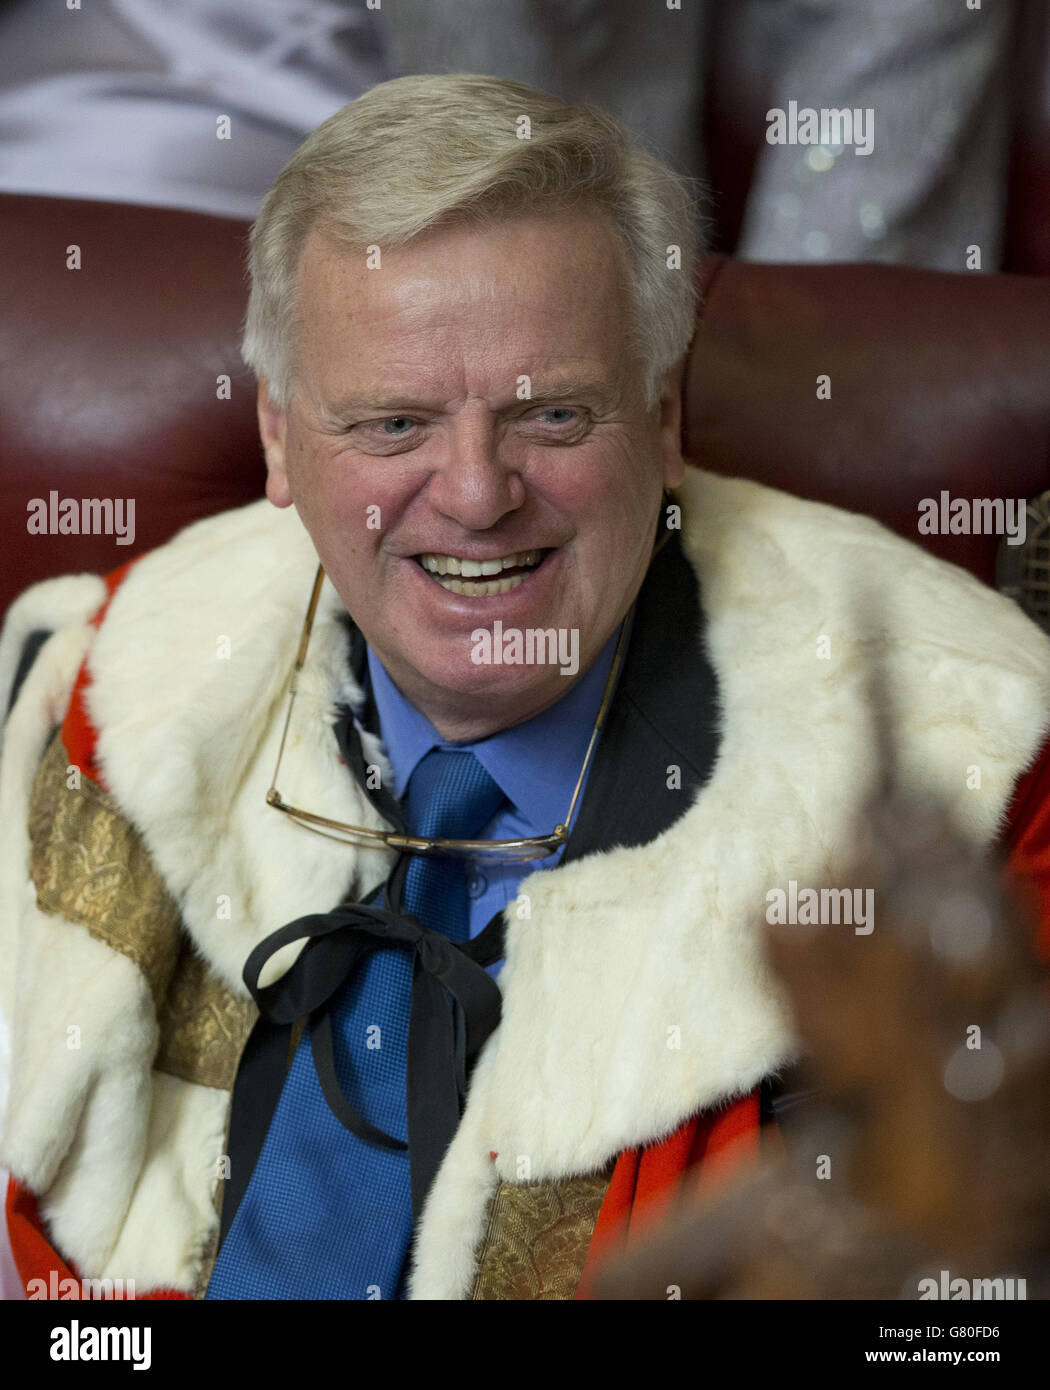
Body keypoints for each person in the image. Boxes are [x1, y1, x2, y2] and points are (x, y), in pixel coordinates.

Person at [1, 72, 1048, 1302]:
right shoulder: (107, 679)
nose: (476, 493)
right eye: (392, 424)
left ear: (664, 418)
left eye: (552, 414)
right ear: (279, 439)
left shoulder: (970, 790)